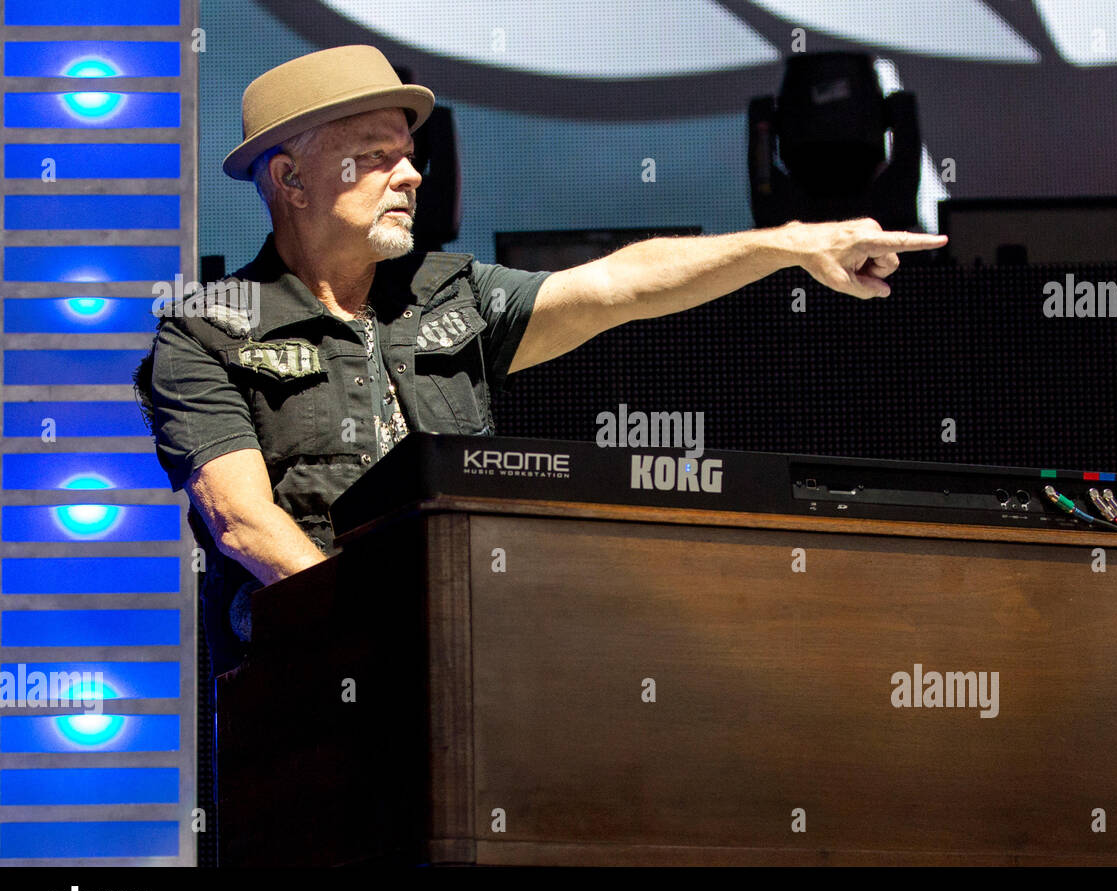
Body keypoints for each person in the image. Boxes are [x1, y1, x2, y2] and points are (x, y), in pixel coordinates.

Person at [138, 44, 947, 676]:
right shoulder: (208, 328)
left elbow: (623, 285)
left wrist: (793, 245)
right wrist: (383, 637)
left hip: (472, 671)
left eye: (409, 152)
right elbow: (246, 524)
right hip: (307, 690)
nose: (411, 174)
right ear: (291, 178)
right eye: (377, 156)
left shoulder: (450, 294)